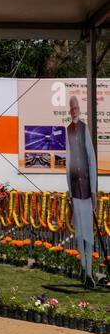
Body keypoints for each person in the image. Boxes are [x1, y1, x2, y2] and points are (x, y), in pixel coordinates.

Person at [65, 95, 99, 287]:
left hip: (86, 190)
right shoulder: (67, 130)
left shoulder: (84, 129)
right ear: (69, 111)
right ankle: (84, 270)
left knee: (88, 234)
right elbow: (68, 162)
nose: (74, 110)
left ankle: (90, 272)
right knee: (79, 233)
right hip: (75, 191)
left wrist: (93, 190)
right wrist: (69, 191)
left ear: (79, 109)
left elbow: (92, 160)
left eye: (76, 107)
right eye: (71, 108)